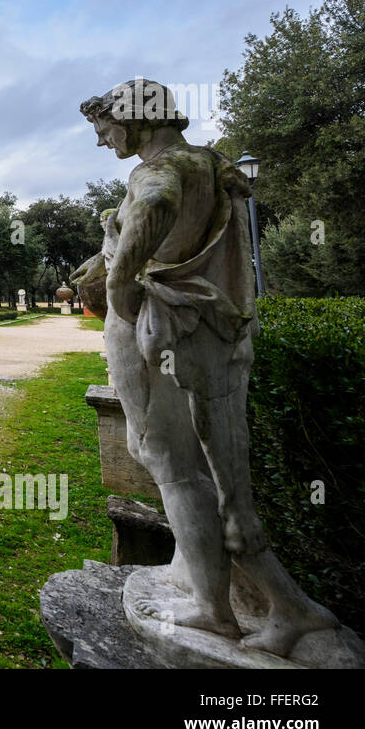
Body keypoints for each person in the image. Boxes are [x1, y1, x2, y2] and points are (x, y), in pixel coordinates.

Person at [70, 79, 337, 657]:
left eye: (103, 129)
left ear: (133, 119)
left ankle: (213, 610)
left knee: (170, 462)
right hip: (198, 331)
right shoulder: (213, 164)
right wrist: (111, 255)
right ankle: (226, 584)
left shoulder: (158, 170)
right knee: (182, 463)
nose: (101, 142)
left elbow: (159, 204)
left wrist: (119, 286)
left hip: (157, 330)